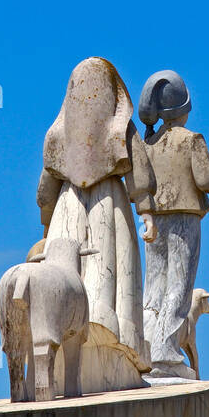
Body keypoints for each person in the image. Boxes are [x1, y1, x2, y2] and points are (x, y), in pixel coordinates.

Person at [37, 57, 155, 365]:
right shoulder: (121, 129)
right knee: (107, 266)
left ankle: (64, 328)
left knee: (70, 271)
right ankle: (111, 327)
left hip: (67, 204)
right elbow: (140, 174)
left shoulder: (56, 135)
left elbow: (45, 192)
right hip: (109, 201)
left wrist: (47, 227)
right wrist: (147, 212)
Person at [138, 69, 209, 375]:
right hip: (185, 217)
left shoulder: (149, 143)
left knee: (154, 287)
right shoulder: (192, 139)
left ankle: (146, 347)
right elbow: (205, 179)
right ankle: (167, 353)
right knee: (179, 286)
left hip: (155, 219)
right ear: (183, 108)